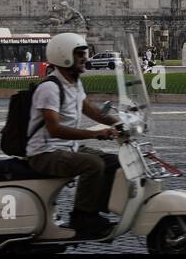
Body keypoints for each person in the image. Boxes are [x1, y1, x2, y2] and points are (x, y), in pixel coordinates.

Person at [25, 33, 122, 239]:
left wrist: (119, 122)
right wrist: (95, 134)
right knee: (93, 164)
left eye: (84, 54)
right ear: (63, 57)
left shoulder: (74, 83)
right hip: (45, 152)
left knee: (114, 161)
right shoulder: (50, 88)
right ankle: (82, 218)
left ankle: (93, 210)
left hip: (67, 148)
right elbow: (55, 129)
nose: (85, 59)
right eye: (79, 55)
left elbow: (91, 110)